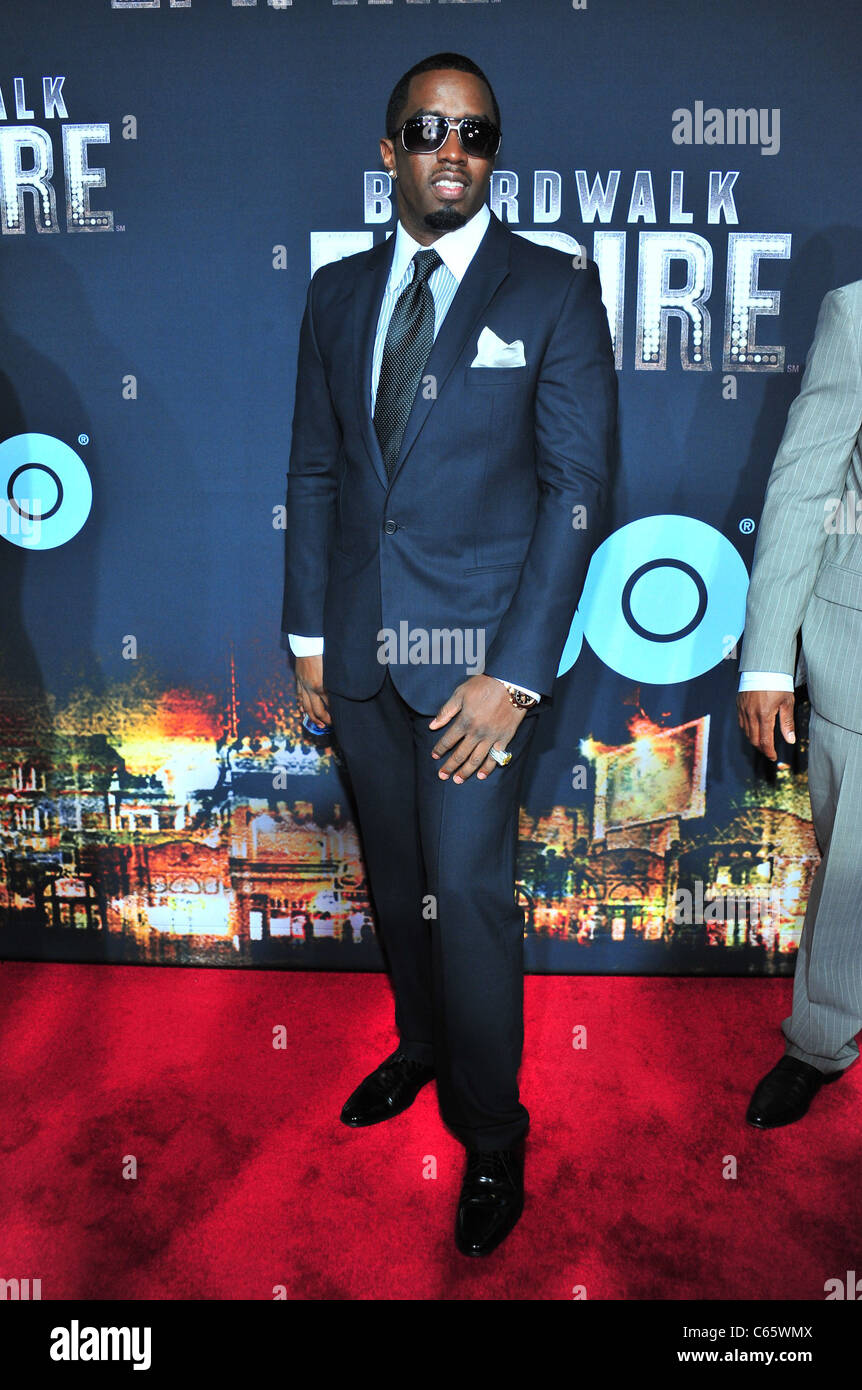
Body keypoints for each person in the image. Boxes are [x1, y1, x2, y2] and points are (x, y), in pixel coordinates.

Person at [281, 52, 616, 1255]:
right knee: (393, 872)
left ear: (491, 154)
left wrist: (514, 675)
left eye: (474, 134)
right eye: (427, 131)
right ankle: (420, 1046)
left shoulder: (553, 291)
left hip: (482, 672)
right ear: (389, 152)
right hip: (363, 655)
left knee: (468, 895)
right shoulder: (334, 293)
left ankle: (491, 1133)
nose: (451, 152)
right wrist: (311, 639)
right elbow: (317, 473)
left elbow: (579, 493)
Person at [738, 279, 862, 1129]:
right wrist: (766, 661)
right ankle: (819, 1039)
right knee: (852, 864)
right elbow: (806, 485)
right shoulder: (858, 315)